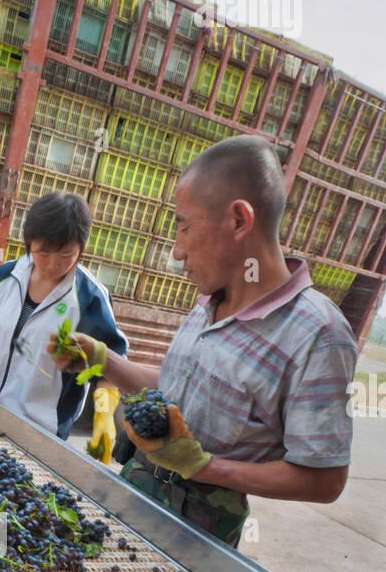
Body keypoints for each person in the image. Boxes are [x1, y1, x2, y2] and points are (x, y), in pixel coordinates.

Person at [51, 135, 357, 547]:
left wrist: (205, 468)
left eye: (183, 226)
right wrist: (104, 359)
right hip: (133, 492)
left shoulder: (318, 336)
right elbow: (178, 393)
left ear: (239, 220)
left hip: (197, 533)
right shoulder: (208, 302)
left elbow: (325, 479)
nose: (176, 251)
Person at [0, 192, 129, 440]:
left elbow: (111, 363)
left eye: (66, 254)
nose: (53, 264)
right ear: (28, 242)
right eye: (43, 253)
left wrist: (104, 411)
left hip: (39, 432)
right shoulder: (5, 276)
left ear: (81, 249)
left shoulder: (90, 297)